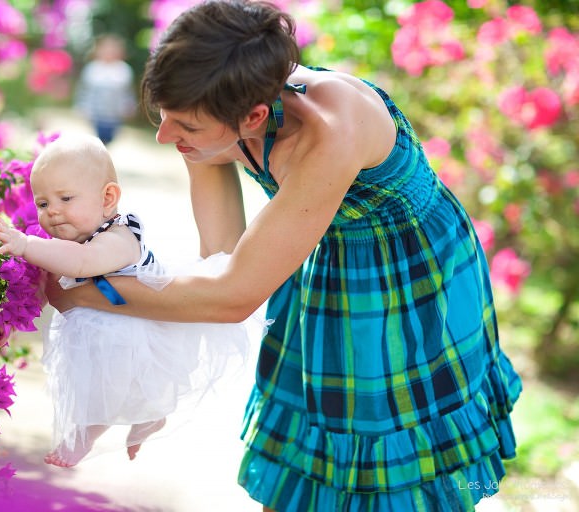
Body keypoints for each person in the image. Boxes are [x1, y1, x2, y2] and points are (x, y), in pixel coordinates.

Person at [43, 0, 523, 509]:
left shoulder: (330, 130)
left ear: (253, 115)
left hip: (410, 271)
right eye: (163, 117)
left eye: (184, 125)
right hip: (324, 252)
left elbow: (231, 298)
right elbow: (220, 262)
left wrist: (91, 294)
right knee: (316, 435)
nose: (165, 136)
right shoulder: (217, 101)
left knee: (393, 457)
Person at [0, 134, 248, 468]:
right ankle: (149, 416)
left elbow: (81, 263)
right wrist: (8, 325)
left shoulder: (119, 237)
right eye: (42, 203)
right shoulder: (61, 242)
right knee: (99, 383)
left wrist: (26, 245)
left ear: (108, 197)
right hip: (101, 325)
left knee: (107, 389)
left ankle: (85, 435)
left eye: (66, 198)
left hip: (135, 328)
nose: (52, 211)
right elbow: (44, 289)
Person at [74, 34, 137, 145]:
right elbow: (83, 90)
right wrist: (81, 106)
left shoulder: (123, 70)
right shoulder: (92, 69)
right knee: (95, 140)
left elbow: (127, 92)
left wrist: (129, 107)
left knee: (108, 139)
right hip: (95, 114)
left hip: (114, 116)